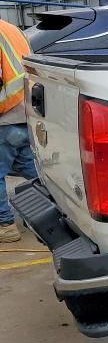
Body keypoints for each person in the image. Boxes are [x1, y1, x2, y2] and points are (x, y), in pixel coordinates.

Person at [0, 18, 37, 243]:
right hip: (26, 112)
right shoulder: (12, 29)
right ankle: (52, 216)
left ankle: (6, 226)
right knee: (32, 169)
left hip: (4, 115)